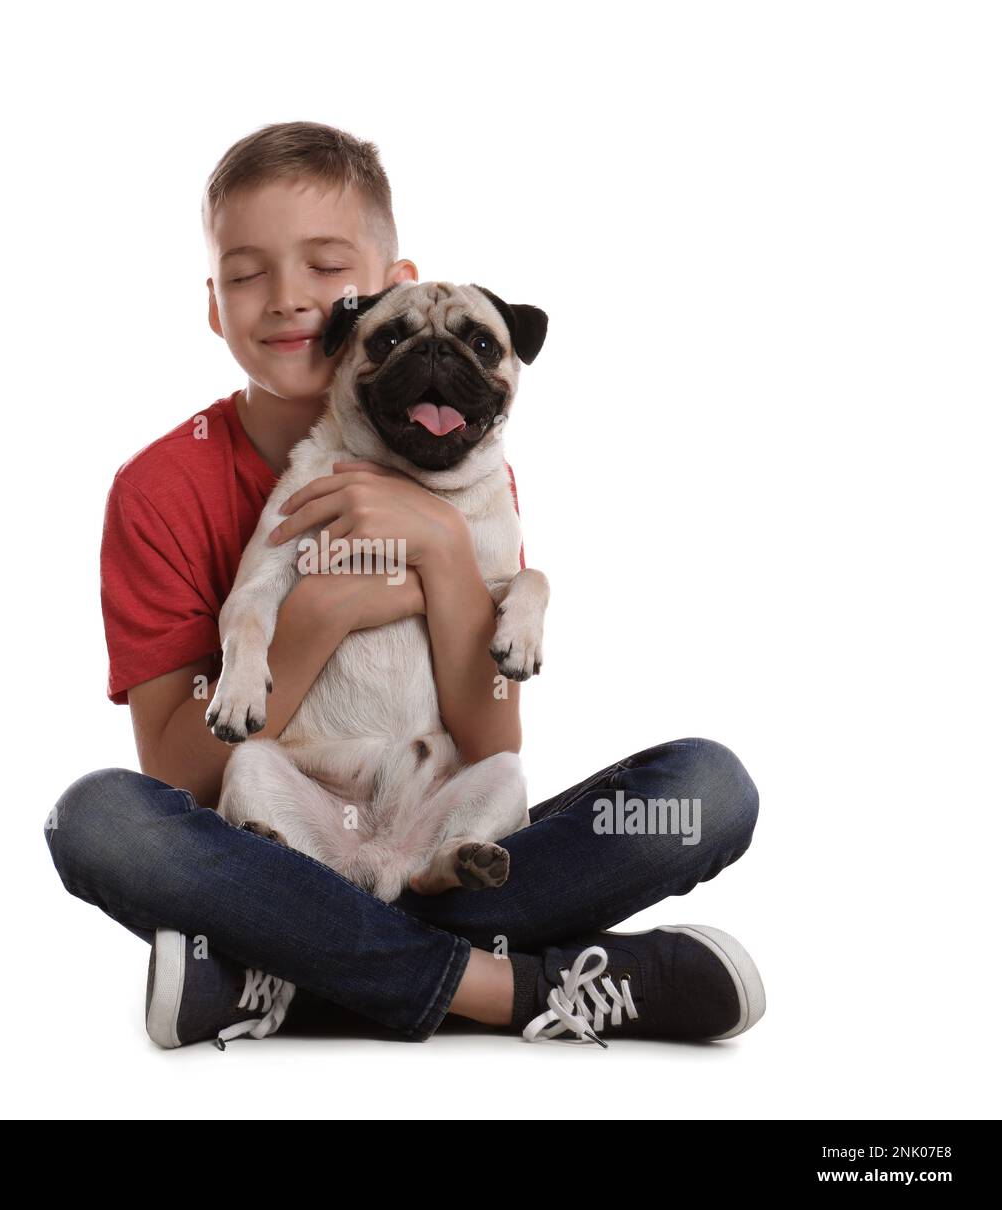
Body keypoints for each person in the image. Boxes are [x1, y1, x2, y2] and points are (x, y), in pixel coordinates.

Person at [44, 120, 765, 1049]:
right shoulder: (159, 489)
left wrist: (442, 551)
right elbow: (186, 777)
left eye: (325, 266)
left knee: (707, 788)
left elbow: (493, 734)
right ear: (213, 305)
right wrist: (336, 603)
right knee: (102, 820)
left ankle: (281, 975)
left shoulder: (467, 467)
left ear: (389, 283)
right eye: (247, 272)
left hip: (437, 828)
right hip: (285, 822)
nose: (288, 298)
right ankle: (523, 988)